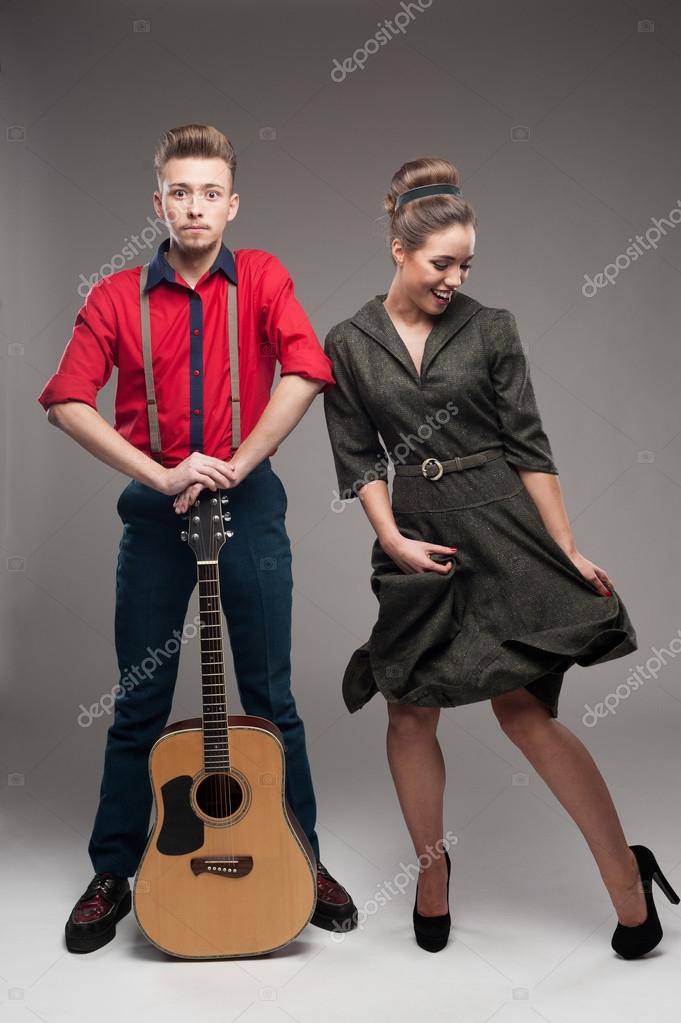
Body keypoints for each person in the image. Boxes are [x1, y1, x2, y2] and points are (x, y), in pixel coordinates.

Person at [322, 157, 678, 956]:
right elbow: (357, 459)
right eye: (440, 262)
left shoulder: (491, 328)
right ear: (398, 250)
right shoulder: (347, 343)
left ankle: (625, 873)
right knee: (409, 709)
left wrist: (567, 547)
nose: (455, 277)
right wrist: (391, 538)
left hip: (502, 529)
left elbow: (529, 447)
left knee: (523, 714)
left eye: (466, 264)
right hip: (416, 537)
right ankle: (430, 868)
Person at [38, 123, 357, 953]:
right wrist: (161, 474)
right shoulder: (114, 296)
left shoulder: (261, 278)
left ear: (232, 202)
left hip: (247, 507)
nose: (194, 205)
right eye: (179, 190)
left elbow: (307, 369)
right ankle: (113, 870)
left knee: (270, 697)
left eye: (209, 190)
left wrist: (236, 464)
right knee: (138, 700)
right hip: (154, 515)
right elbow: (67, 399)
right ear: (158, 201)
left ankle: (301, 857)